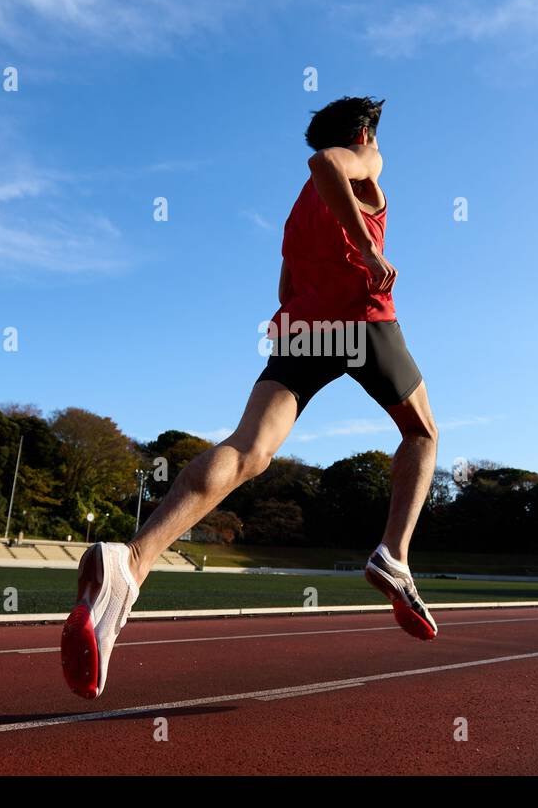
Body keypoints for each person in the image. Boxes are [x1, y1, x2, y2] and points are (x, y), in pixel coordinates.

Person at [61, 96, 439, 700]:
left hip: (303, 327)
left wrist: (290, 319)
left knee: (246, 450)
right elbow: (325, 162)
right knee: (422, 433)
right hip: (363, 320)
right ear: (364, 132)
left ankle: (130, 566)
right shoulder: (365, 156)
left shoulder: (297, 214)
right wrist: (367, 249)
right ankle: (394, 554)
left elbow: (287, 279)